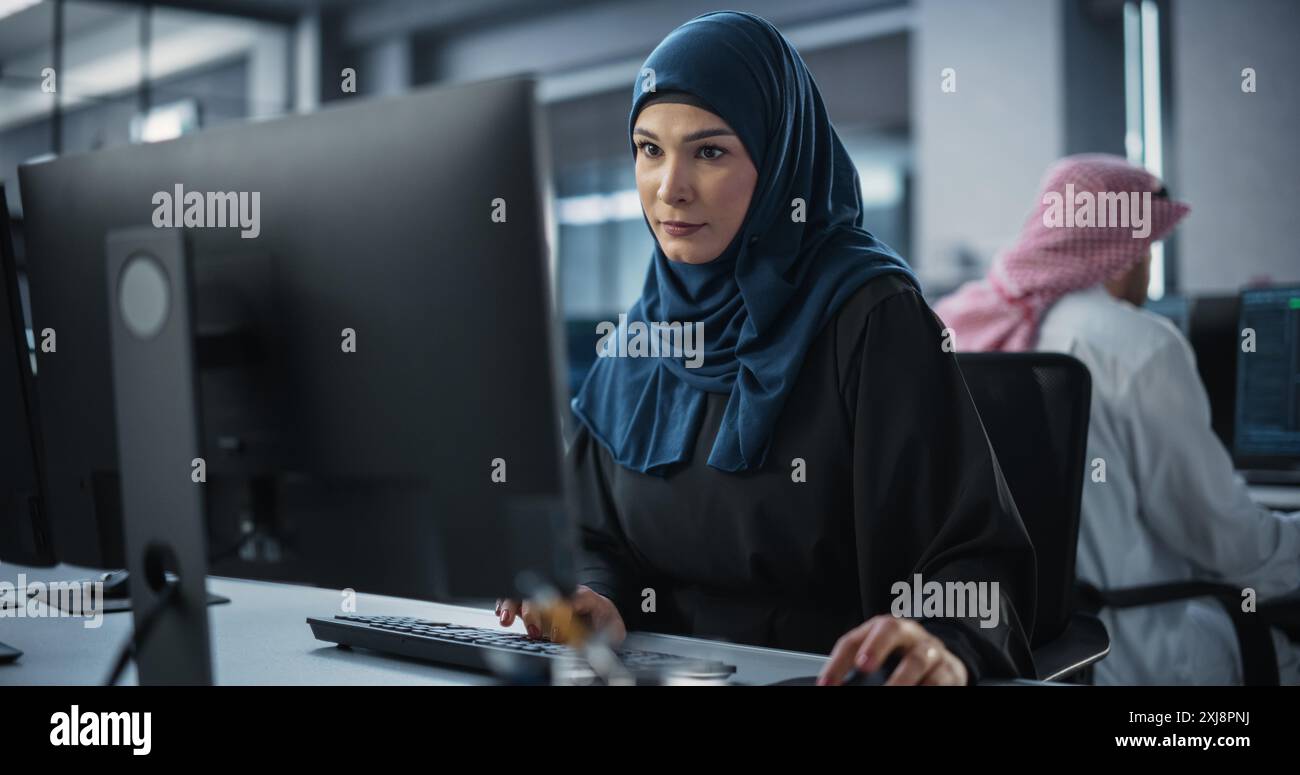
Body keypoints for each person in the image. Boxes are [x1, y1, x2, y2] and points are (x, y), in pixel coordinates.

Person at [497, 11, 1037, 686]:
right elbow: (593, 536)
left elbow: (974, 561)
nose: (671, 188)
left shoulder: (871, 316)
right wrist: (596, 596)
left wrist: (940, 642)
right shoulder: (643, 330)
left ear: (779, 158)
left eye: (710, 151)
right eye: (649, 149)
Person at [933, 154, 1300, 684]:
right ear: (1125, 251)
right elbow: (1230, 546)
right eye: (1148, 246)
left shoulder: (968, 323)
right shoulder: (1139, 345)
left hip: (1008, 651)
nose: (1148, 266)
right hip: (1127, 653)